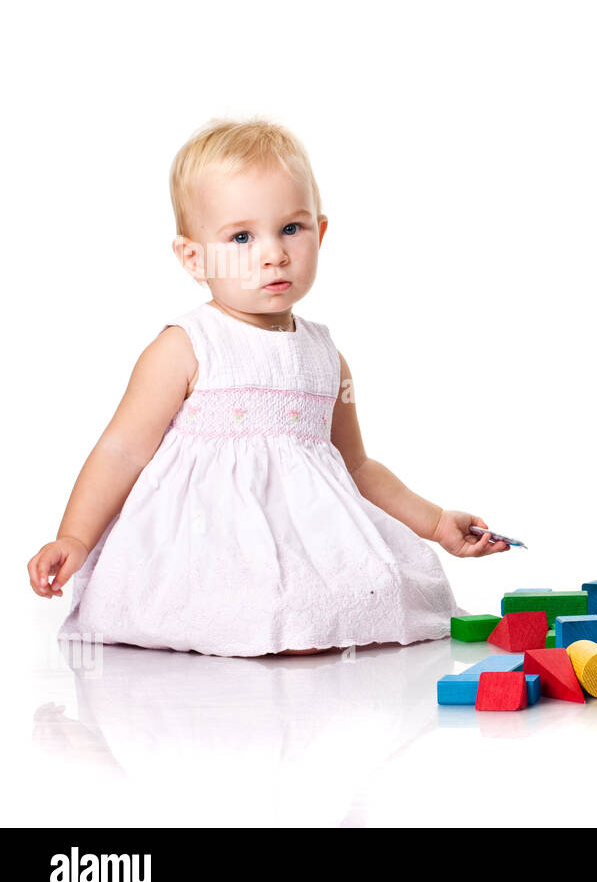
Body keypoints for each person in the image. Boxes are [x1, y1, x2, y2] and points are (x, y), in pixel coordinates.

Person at [27, 117, 509, 656]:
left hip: (302, 543)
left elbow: (355, 467)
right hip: (209, 543)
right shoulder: (187, 346)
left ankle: (313, 619)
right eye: (240, 237)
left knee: (379, 589)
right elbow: (121, 451)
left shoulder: (327, 358)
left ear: (320, 233)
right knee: (240, 602)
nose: (273, 254)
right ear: (194, 257)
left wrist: (437, 521)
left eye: (291, 229)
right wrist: (74, 537)